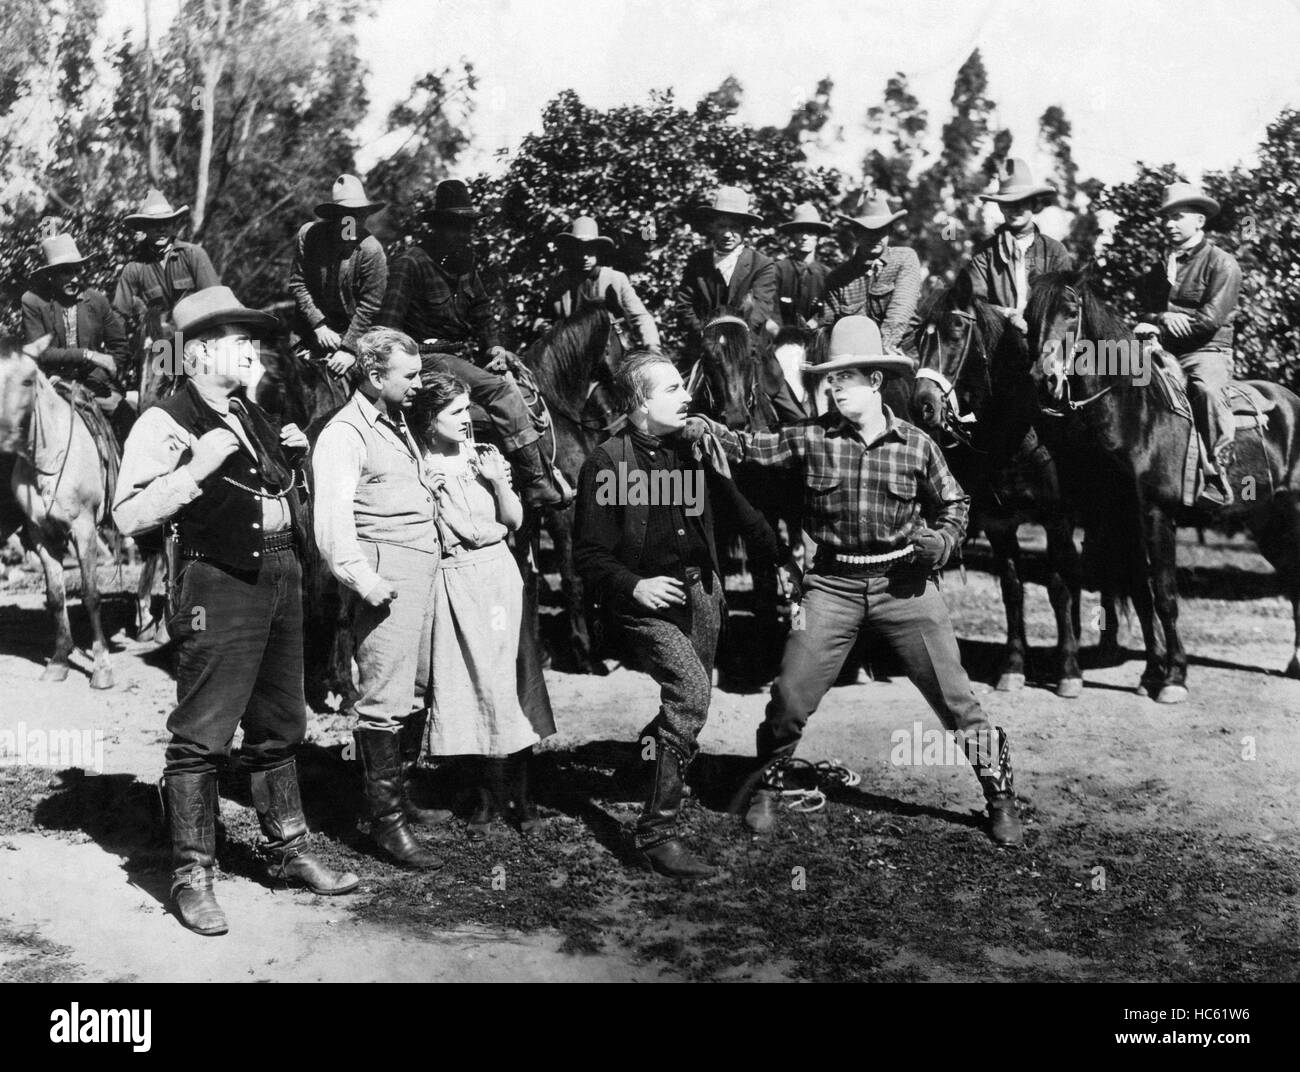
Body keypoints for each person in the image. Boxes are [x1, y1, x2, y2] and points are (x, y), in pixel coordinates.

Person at [695, 316, 1024, 847]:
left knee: (958, 701)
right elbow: (749, 445)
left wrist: (942, 542)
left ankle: (1001, 797)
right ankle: (767, 786)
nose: (835, 388)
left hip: (906, 587)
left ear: (874, 381)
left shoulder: (917, 445)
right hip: (830, 587)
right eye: (830, 379)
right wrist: (706, 431)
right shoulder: (811, 437)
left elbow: (956, 503)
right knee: (788, 696)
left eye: (846, 378)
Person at [113, 285, 358, 936]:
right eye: (239, 340)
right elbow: (129, 513)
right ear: (198, 354)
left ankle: (289, 849)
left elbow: (269, 493)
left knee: (281, 722)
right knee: (203, 732)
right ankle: (192, 875)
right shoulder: (165, 421)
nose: (254, 349)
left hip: (281, 573)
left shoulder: (251, 413)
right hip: (217, 582)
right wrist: (193, 470)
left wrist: (293, 464)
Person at [574, 349, 780, 879]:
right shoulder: (608, 463)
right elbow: (589, 556)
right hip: (643, 604)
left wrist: (776, 556)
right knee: (691, 692)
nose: (687, 396)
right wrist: (635, 585)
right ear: (640, 404)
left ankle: (649, 761)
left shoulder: (692, 453)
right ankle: (657, 832)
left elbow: (746, 518)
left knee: (691, 698)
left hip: (704, 594)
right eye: (671, 390)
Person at [312, 327, 446, 870]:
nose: (417, 385)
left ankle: (401, 798)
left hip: (421, 569)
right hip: (386, 578)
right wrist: (365, 582)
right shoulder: (343, 434)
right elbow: (331, 522)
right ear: (374, 376)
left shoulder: (395, 421)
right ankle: (385, 823)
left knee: (414, 687)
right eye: (408, 376)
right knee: (384, 700)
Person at [410, 372, 555, 837]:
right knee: (464, 686)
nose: (467, 419)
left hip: (498, 575)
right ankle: (482, 797)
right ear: (430, 421)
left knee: (509, 679)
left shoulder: (483, 458)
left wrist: (498, 483)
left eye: (468, 409)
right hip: (453, 579)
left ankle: (524, 796)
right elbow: (443, 536)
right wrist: (431, 494)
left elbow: (512, 522)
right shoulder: (420, 467)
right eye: (455, 412)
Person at [374, 179, 569, 508]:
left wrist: (493, 346)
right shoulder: (411, 264)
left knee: (523, 387)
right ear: (436, 228)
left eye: (466, 228)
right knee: (502, 392)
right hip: (428, 358)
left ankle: (519, 475)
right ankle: (537, 481)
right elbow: (389, 329)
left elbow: (482, 312)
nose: (461, 235)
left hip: (462, 358)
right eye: (453, 227)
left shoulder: (465, 264)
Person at [1135, 182, 1242, 508]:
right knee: (1116, 374)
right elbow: (1146, 311)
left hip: (1207, 351)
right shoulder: (1160, 267)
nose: (1168, 224)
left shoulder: (1223, 263)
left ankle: (1218, 475)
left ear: (1199, 220)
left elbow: (1210, 320)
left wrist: (1165, 319)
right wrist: (1160, 319)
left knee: (1207, 391)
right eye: (1165, 217)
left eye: (1177, 217)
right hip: (1161, 348)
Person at [286, 174, 389, 410]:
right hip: (309, 331)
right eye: (344, 217)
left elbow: (370, 307)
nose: (351, 223)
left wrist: (348, 349)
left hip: (355, 334)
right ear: (333, 218)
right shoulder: (310, 236)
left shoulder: (371, 251)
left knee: (369, 397)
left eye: (357, 216)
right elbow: (298, 282)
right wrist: (319, 325)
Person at [21, 233, 132, 442]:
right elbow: (42, 353)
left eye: (77, 270)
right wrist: (89, 355)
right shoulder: (33, 302)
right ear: (50, 275)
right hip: (49, 384)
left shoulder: (96, 301)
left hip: (92, 385)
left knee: (126, 417)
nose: (75, 279)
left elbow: (119, 346)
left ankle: (129, 473)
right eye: (66, 272)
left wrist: (105, 374)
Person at [112, 188, 220, 389]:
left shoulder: (193, 255)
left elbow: (215, 301)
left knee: (214, 388)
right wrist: (118, 354)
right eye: (154, 224)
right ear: (144, 228)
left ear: (173, 226)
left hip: (198, 338)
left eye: (166, 223)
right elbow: (118, 315)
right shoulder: (134, 269)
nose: (161, 229)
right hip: (159, 344)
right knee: (149, 397)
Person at [964, 158, 1073, 334]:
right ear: (1000, 207)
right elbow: (975, 301)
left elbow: (1066, 303)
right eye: (1007, 203)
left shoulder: (1054, 251)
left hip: (1046, 340)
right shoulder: (985, 253)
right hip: (1000, 341)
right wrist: (1007, 314)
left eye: (1020, 202)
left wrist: (1034, 321)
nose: (1014, 209)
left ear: (1033, 204)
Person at [673, 184, 777, 346]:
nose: (727, 234)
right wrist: (703, 332)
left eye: (734, 227)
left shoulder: (762, 264)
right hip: (704, 343)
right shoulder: (697, 262)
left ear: (745, 229)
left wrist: (737, 335)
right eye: (721, 226)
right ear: (712, 227)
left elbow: (761, 306)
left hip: (746, 345)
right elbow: (684, 304)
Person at [821, 194, 921, 356]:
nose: (874, 237)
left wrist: (883, 347)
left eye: (880, 230)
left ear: (890, 231)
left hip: (901, 350)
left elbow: (901, 308)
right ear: (856, 232)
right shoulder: (838, 278)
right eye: (866, 230)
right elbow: (829, 325)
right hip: (853, 355)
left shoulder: (905, 258)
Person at [544, 216, 660, 350]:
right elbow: (546, 318)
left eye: (590, 249)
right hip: (571, 353)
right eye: (579, 250)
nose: (585, 257)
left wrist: (652, 345)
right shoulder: (560, 283)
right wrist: (544, 327)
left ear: (598, 250)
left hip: (609, 351)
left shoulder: (616, 279)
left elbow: (640, 316)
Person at [773, 202, 831, 331]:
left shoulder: (827, 275)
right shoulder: (778, 270)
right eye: (800, 231)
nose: (804, 237)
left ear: (818, 237)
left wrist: (817, 321)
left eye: (810, 232)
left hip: (817, 340)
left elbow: (831, 310)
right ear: (792, 236)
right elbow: (771, 311)